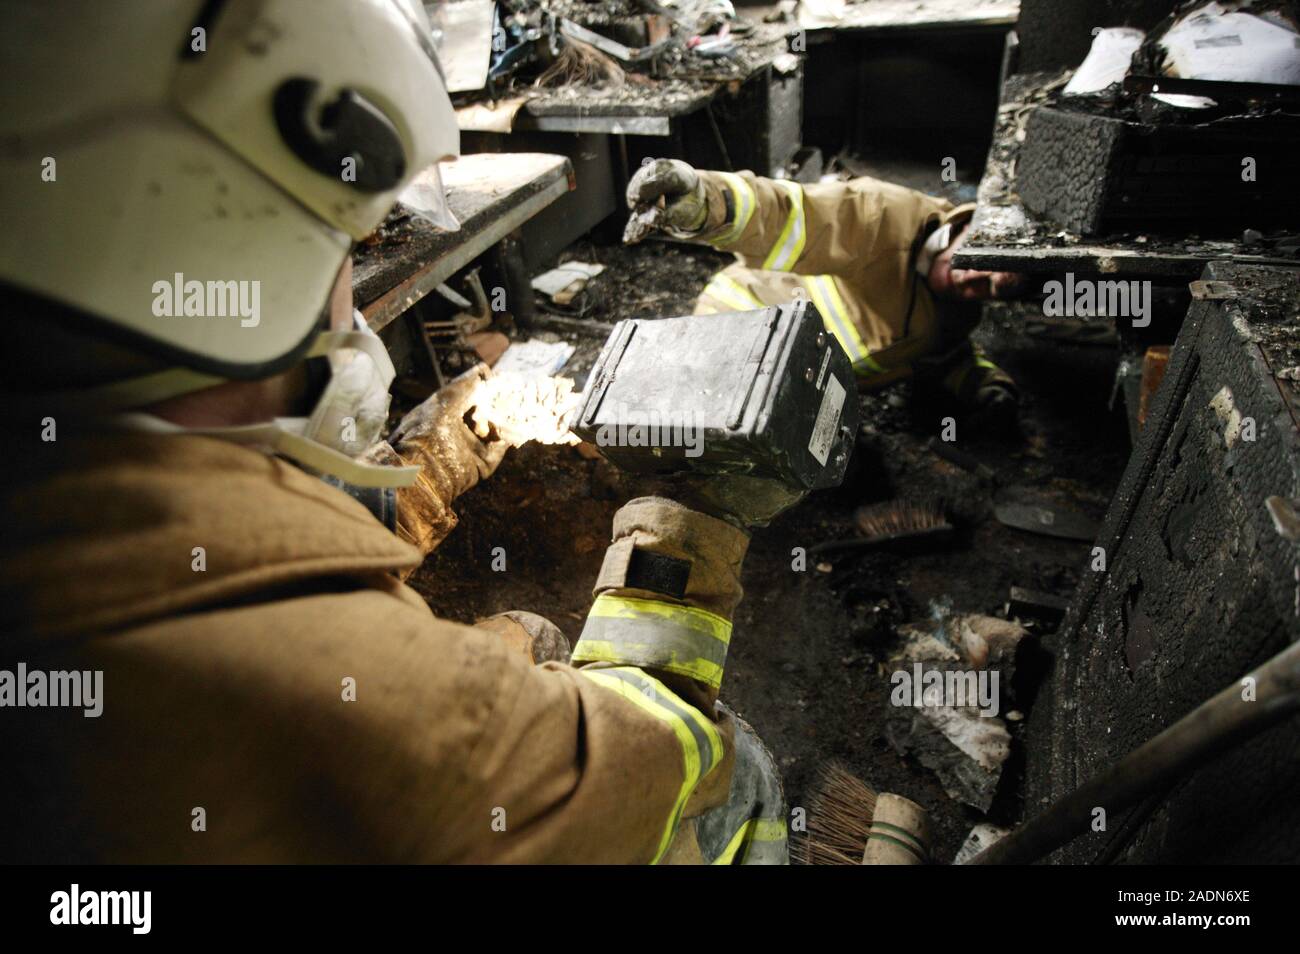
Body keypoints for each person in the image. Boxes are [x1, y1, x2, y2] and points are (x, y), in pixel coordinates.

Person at [0, 0, 785, 864]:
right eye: (348, 243)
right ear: (242, 253)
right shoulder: (354, 701)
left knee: (529, 633)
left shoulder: (79, 483)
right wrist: (687, 524)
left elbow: (284, 523)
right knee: (736, 779)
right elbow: (649, 768)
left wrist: (475, 421)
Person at [625, 158, 1025, 419]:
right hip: (741, 321)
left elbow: (942, 353)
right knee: (691, 425)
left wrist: (980, 381)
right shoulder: (884, 216)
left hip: (802, 383)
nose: (973, 281)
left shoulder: (959, 310)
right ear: (975, 226)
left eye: (991, 288)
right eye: (979, 263)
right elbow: (790, 216)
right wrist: (708, 202)